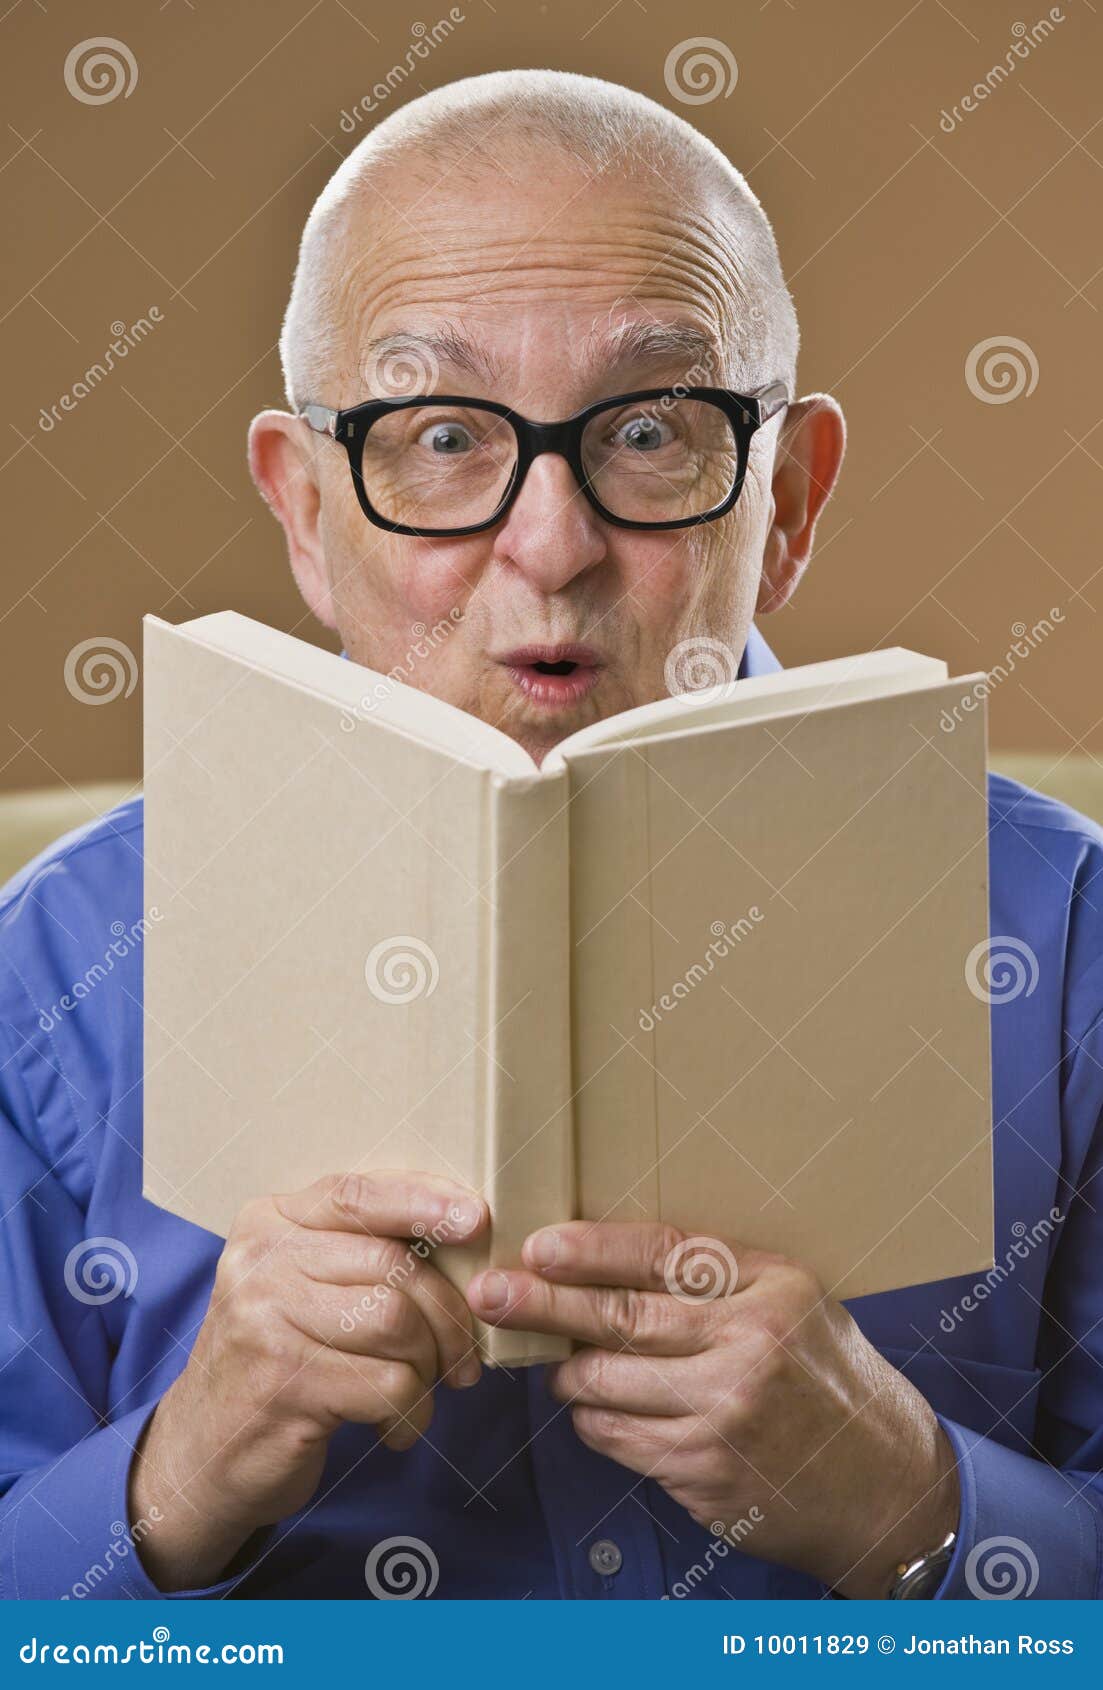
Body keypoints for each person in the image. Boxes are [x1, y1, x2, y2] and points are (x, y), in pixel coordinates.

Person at [1, 70, 1100, 1602]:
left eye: (650, 429)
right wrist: (178, 1469)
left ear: (786, 497)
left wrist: (912, 1500)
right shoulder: (56, 961)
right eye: (443, 434)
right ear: (308, 511)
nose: (552, 542)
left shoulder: (1062, 941)